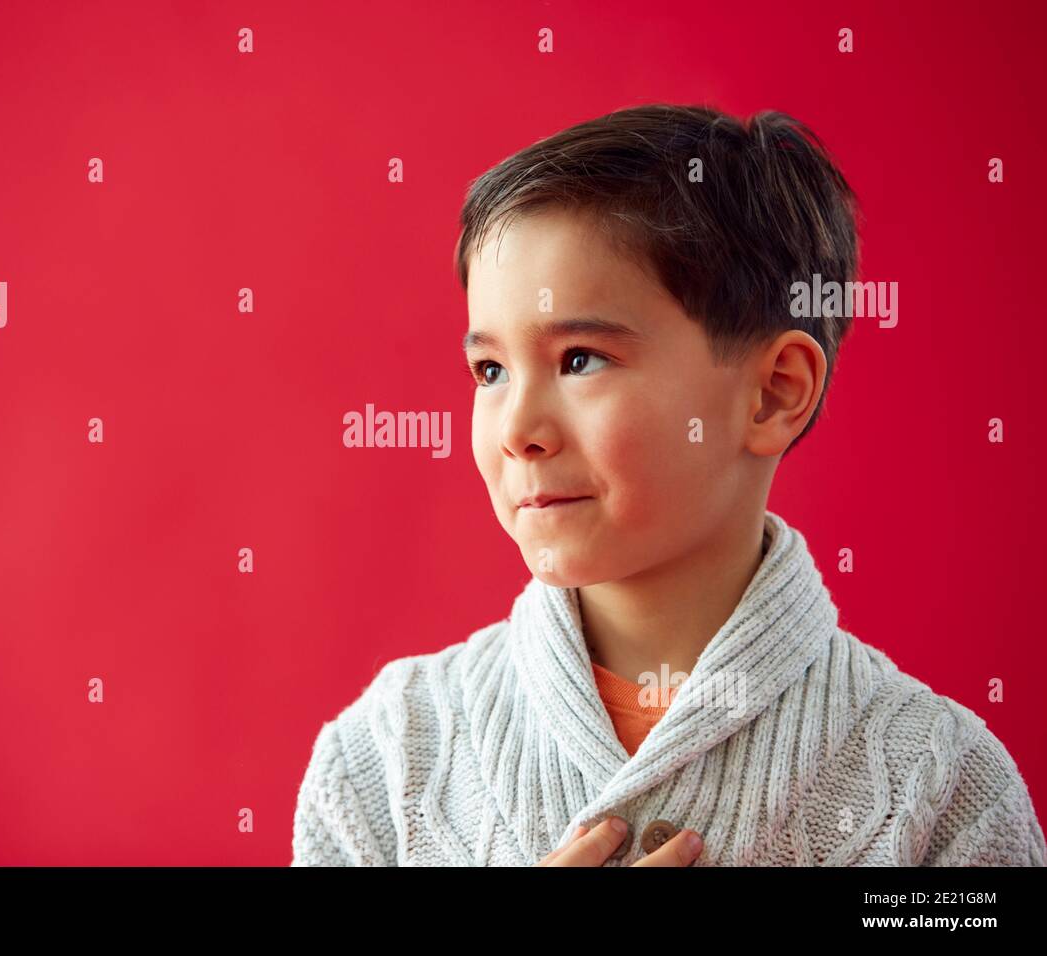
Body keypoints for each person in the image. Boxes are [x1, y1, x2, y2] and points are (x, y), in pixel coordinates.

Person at [291, 104, 1046, 866]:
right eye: (490, 371)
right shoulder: (383, 761)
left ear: (775, 393)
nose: (516, 427)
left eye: (580, 358)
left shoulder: (945, 792)